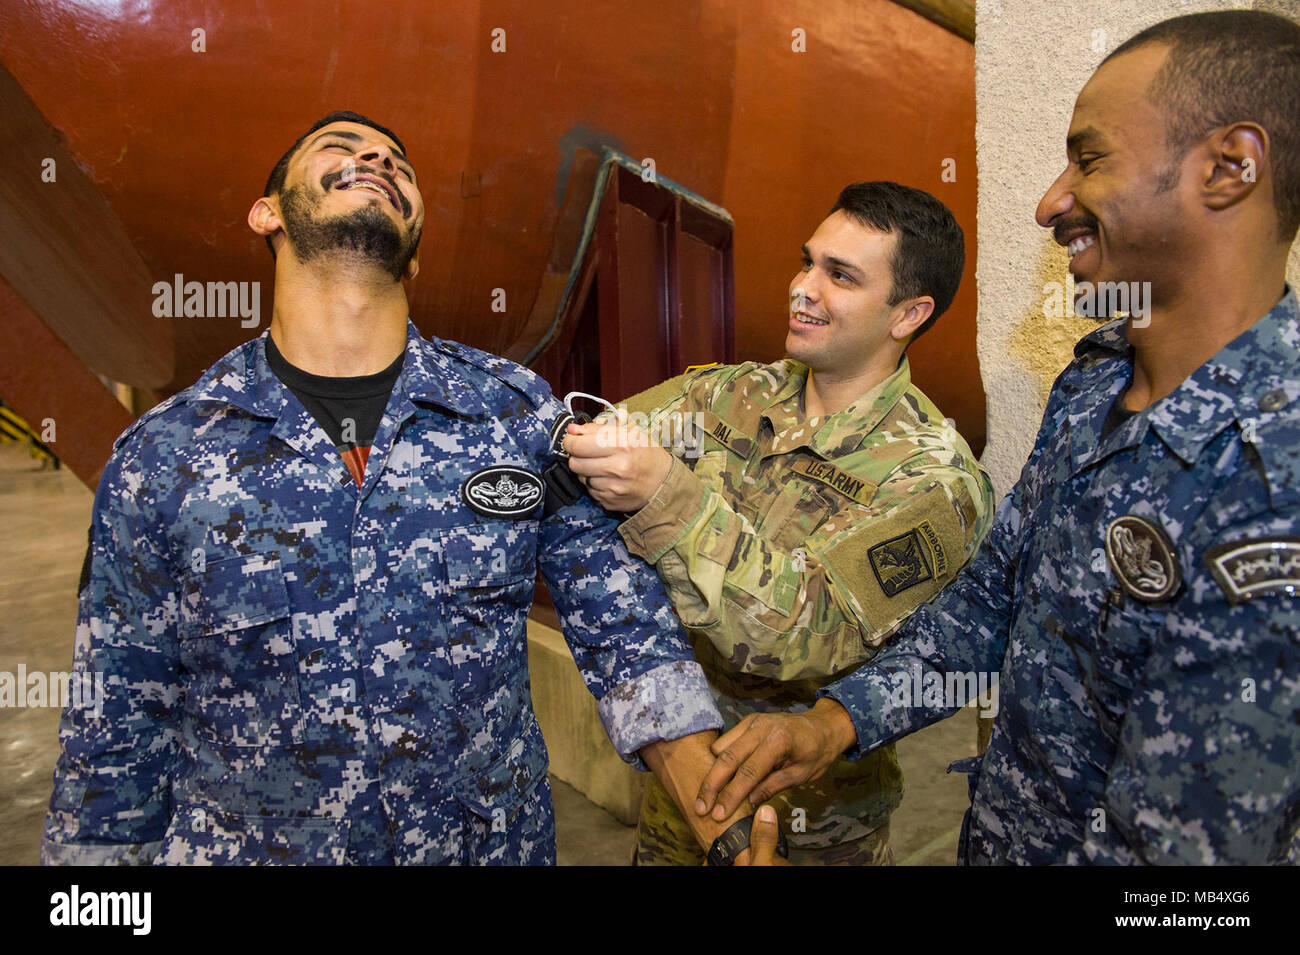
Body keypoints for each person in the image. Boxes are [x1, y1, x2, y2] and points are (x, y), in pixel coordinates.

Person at [41, 110, 753, 865]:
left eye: (398, 165)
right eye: (340, 148)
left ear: (413, 254)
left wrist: (720, 819)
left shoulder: (512, 415)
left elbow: (627, 634)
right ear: (267, 213)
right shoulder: (164, 457)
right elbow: (115, 725)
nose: (378, 158)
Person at [693, 10, 1300, 865]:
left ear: (1230, 167)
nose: (1051, 202)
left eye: (1090, 159)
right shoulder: (1093, 385)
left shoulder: (1276, 474)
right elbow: (988, 607)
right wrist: (836, 721)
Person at [565, 181, 994, 865]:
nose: (802, 288)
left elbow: (806, 630)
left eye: (840, 276)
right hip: (680, 791)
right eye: (807, 262)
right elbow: (588, 449)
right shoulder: (726, 394)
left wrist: (666, 494)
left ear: (908, 314)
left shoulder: (933, 481)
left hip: (815, 829)